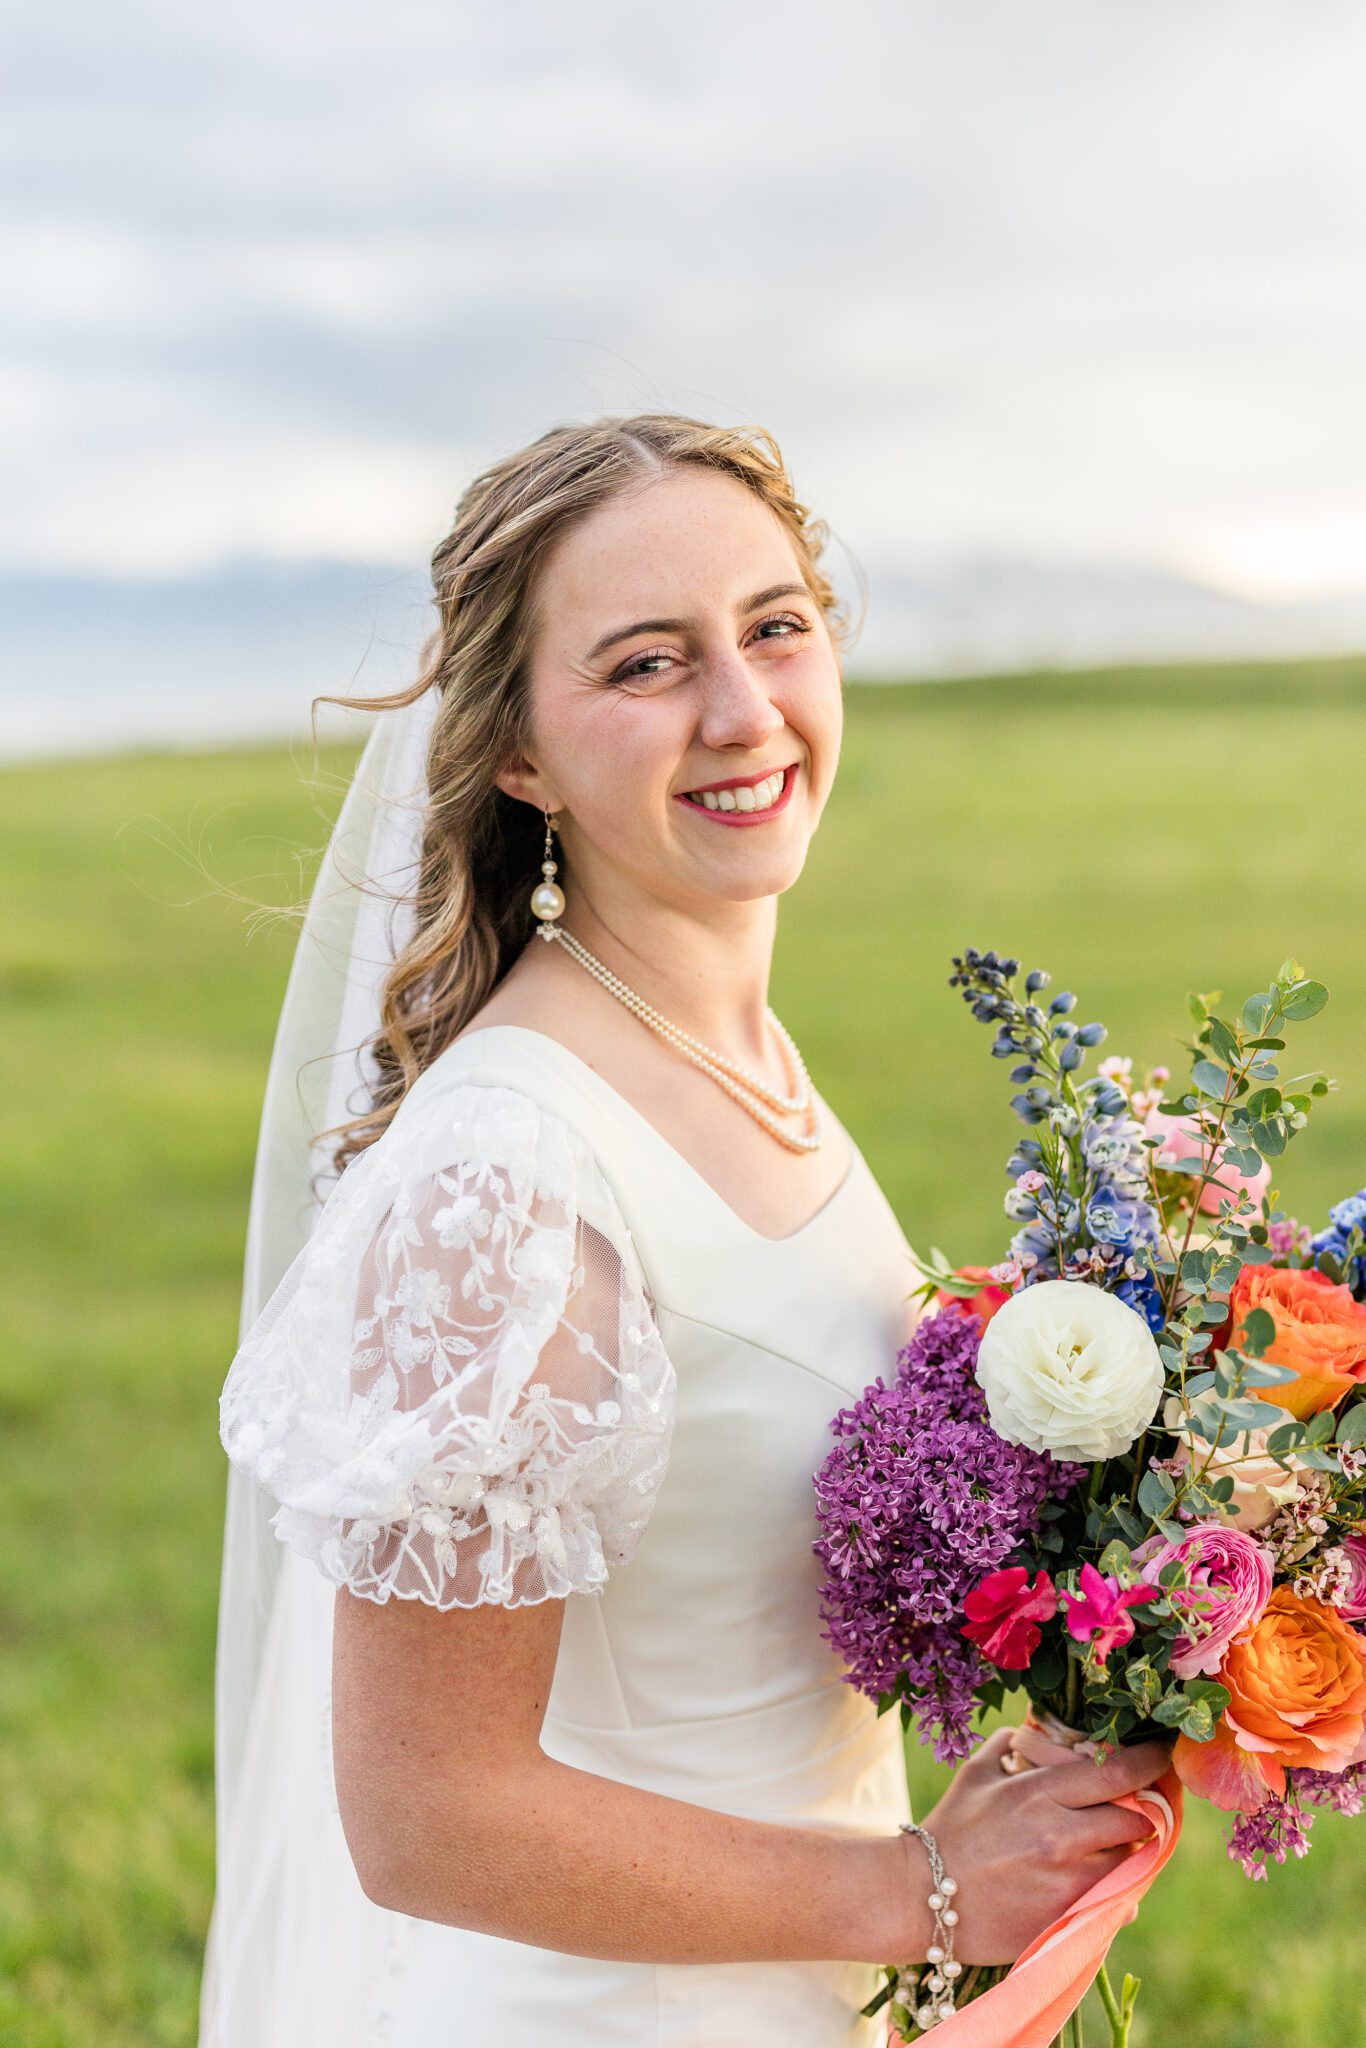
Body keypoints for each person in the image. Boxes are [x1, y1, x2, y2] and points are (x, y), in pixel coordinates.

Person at [201, 413, 1170, 2047]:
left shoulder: (738, 1056)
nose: (743, 711)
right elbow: (428, 1814)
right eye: (647, 665)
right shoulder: (508, 1177)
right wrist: (916, 1891)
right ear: (515, 750)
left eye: (775, 627)